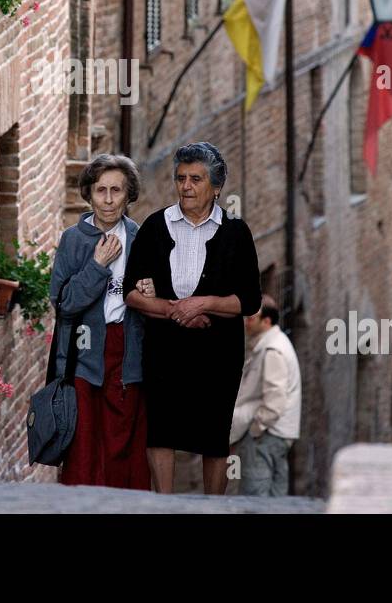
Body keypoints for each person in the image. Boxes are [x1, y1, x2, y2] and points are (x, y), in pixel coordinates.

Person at [123, 141, 261, 494]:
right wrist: (174, 310)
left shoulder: (236, 233)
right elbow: (131, 293)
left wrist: (202, 304)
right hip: (163, 348)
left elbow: (248, 300)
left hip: (218, 353)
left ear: (216, 187)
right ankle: (165, 504)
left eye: (196, 179)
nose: (186, 187)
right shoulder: (155, 227)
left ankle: (212, 506)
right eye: (181, 178)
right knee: (161, 426)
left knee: (214, 432)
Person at [47, 153, 150, 489]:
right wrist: (97, 265)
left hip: (127, 352)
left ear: (128, 194)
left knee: (122, 443)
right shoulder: (73, 241)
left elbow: (153, 302)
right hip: (82, 353)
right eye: (101, 190)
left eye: (116, 190)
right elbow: (64, 305)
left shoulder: (141, 239)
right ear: (89, 195)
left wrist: (152, 289)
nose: (108, 199)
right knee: (83, 446)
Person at [230, 295, 301, 496]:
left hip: (267, 434)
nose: (246, 322)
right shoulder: (277, 343)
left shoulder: (272, 350)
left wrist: (255, 429)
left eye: (252, 317)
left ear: (266, 321)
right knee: (274, 499)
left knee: (256, 498)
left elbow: (275, 400)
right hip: (276, 433)